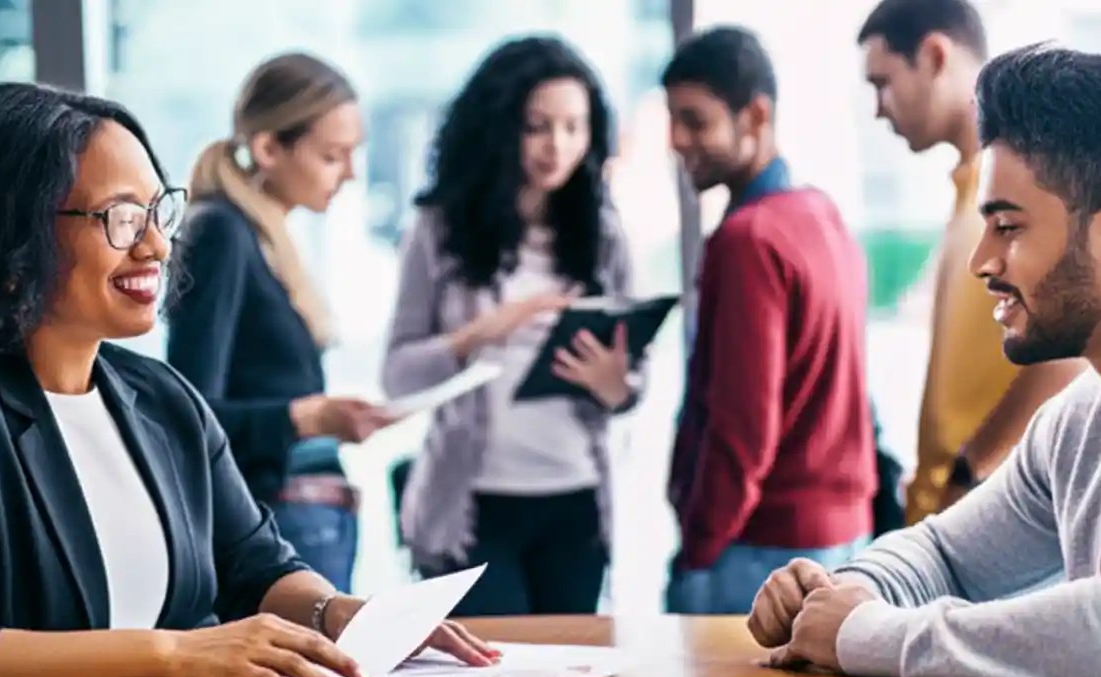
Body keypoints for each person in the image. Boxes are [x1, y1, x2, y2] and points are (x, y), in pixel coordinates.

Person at [0, 82, 495, 677]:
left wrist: (341, 615)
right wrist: (169, 655)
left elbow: (255, 566)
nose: (157, 246)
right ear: (11, 235)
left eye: (157, 211)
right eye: (121, 217)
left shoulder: (164, 401)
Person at [748, 44, 1101, 677]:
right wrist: (838, 593)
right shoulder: (1082, 421)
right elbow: (944, 555)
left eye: (1007, 226)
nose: (981, 260)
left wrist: (862, 632)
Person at [382, 35, 639, 616]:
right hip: (472, 508)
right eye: (538, 126)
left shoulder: (603, 233)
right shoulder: (438, 228)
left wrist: (615, 385)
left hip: (576, 502)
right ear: (500, 128)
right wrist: (478, 333)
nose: (558, 146)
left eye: (574, 127)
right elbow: (397, 376)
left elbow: (633, 377)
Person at [661, 26, 876, 615]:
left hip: (759, 553)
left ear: (755, 116)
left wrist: (697, 552)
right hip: (842, 542)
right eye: (673, 119)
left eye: (695, 120)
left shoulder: (747, 239)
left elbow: (740, 429)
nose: (677, 140)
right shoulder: (822, 215)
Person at [167, 53, 389, 592]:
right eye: (333, 155)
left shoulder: (268, 239)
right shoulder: (223, 233)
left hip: (306, 515)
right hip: (274, 524)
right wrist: (305, 417)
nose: (351, 174)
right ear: (269, 148)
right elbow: (189, 412)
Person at [857, 0, 1084, 522]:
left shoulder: (1026, 189)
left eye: (883, 82)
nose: (878, 108)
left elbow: (1070, 351)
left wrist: (971, 473)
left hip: (989, 520)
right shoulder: (971, 191)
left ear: (936, 56)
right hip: (950, 521)